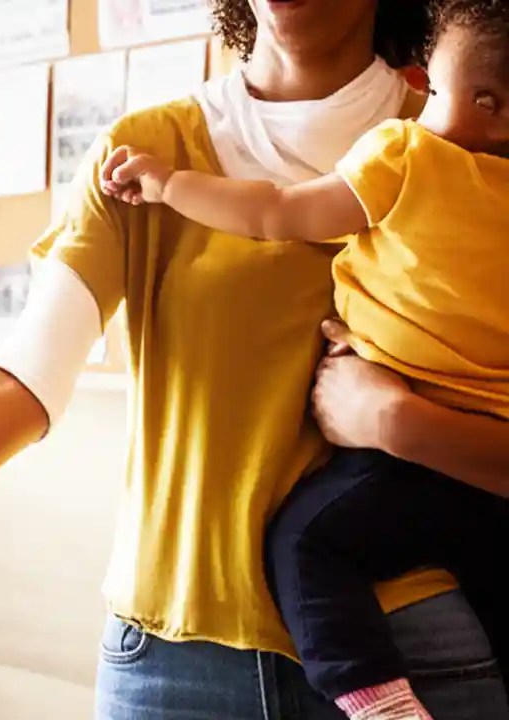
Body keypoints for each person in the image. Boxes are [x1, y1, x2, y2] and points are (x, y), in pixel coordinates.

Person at [0, 0, 509, 718]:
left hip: (413, 648)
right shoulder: (145, 155)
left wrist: (396, 420)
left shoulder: (468, 131)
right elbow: (24, 376)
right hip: (176, 662)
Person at [97, 1, 509, 716]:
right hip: (483, 481)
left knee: (305, 544)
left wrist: (168, 186)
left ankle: (377, 700)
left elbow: (277, 211)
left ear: (491, 107)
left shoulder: (407, 153)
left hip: (395, 479)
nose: (424, 105)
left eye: (436, 92)